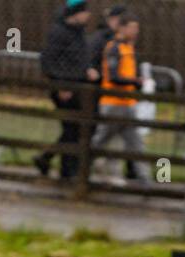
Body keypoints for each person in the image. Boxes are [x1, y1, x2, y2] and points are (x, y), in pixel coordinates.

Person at [36, 0, 100, 182]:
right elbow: (48, 61)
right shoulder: (59, 33)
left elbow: (76, 59)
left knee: (76, 129)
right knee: (72, 128)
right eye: (85, 12)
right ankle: (64, 168)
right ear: (76, 13)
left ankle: (56, 163)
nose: (88, 15)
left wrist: (87, 69)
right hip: (65, 89)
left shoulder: (78, 33)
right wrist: (61, 85)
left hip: (79, 88)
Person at [90, 13, 148, 185]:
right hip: (113, 103)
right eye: (132, 27)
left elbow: (129, 76)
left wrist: (138, 83)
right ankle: (82, 169)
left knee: (136, 143)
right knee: (100, 141)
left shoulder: (129, 48)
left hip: (128, 104)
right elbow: (114, 76)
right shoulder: (114, 48)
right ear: (122, 28)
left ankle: (145, 180)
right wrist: (135, 81)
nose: (136, 31)